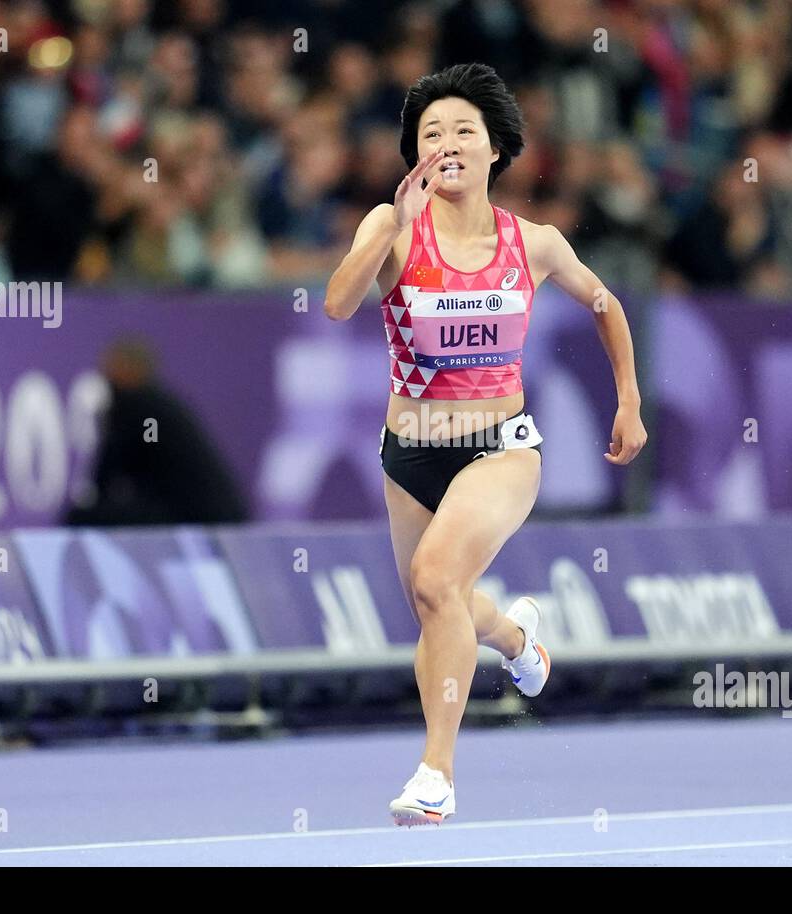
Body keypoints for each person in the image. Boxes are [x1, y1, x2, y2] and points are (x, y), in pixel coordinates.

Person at [323, 63, 646, 825]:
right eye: (431, 134)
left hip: (500, 449)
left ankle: (436, 773)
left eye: (463, 129)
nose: (447, 143)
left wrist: (628, 397)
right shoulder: (389, 225)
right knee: (445, 605)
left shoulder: (532, 244)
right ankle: (516, 637)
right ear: (417, 156)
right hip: (409, 455)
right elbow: (337, 304)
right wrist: (394, 228)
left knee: (436, 582)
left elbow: (605, 303)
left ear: (496, 148)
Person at [66, 337, 250, 527]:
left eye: (113, 365)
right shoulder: (153, 406)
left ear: (129, 367)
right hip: (206, 510)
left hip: (198, 513)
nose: (105, 372)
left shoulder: (147, 409)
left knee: (82, 518)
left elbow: (148, 446)